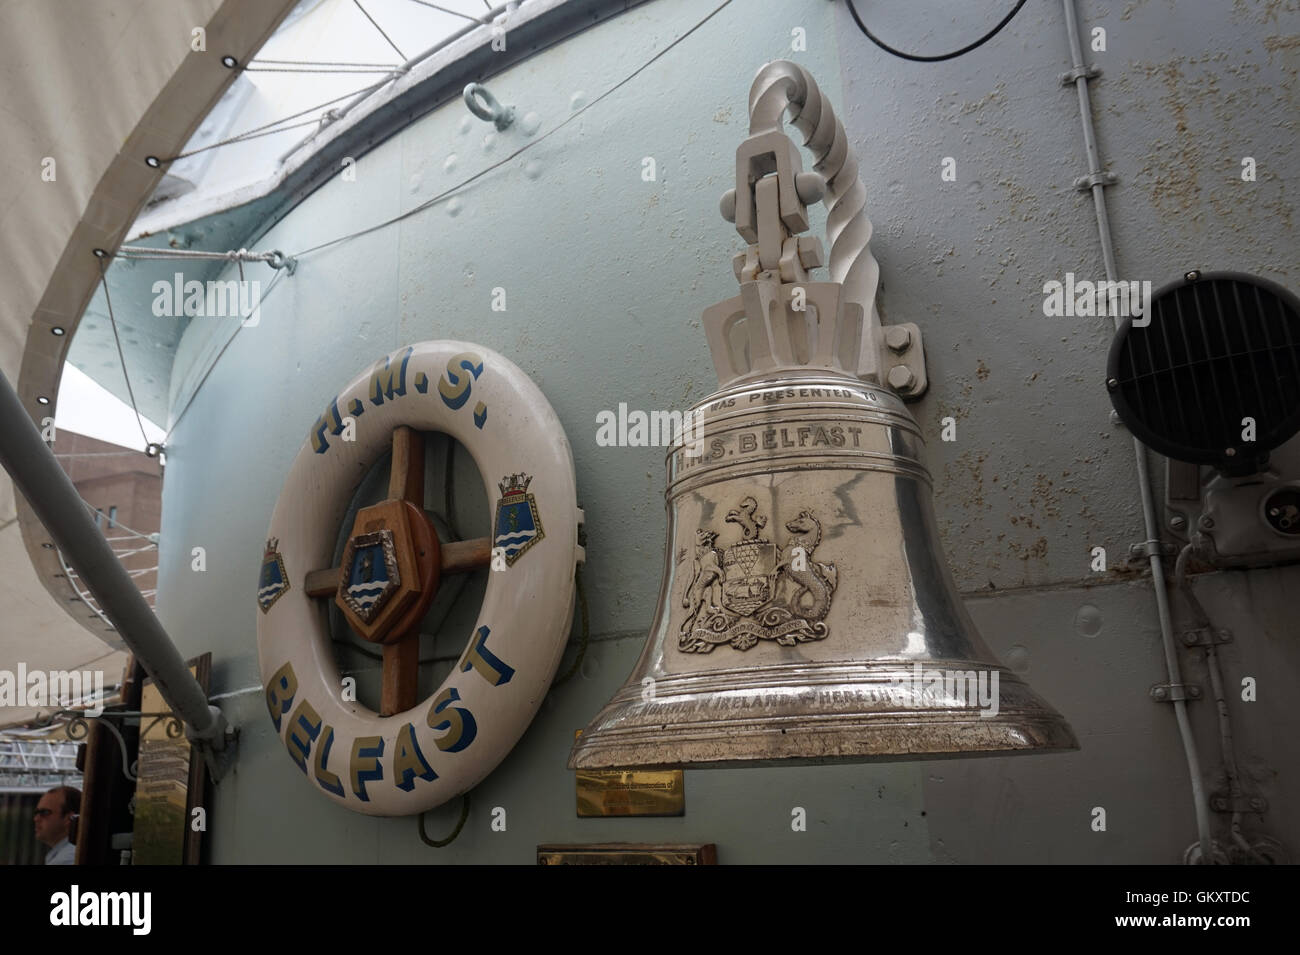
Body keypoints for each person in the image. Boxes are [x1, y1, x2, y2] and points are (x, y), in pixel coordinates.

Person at [34, 785, 80, 865]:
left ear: (69, 818)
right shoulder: (67, 854)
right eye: (36, 813)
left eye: (44, 813)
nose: (36, 819)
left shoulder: (67, 859)